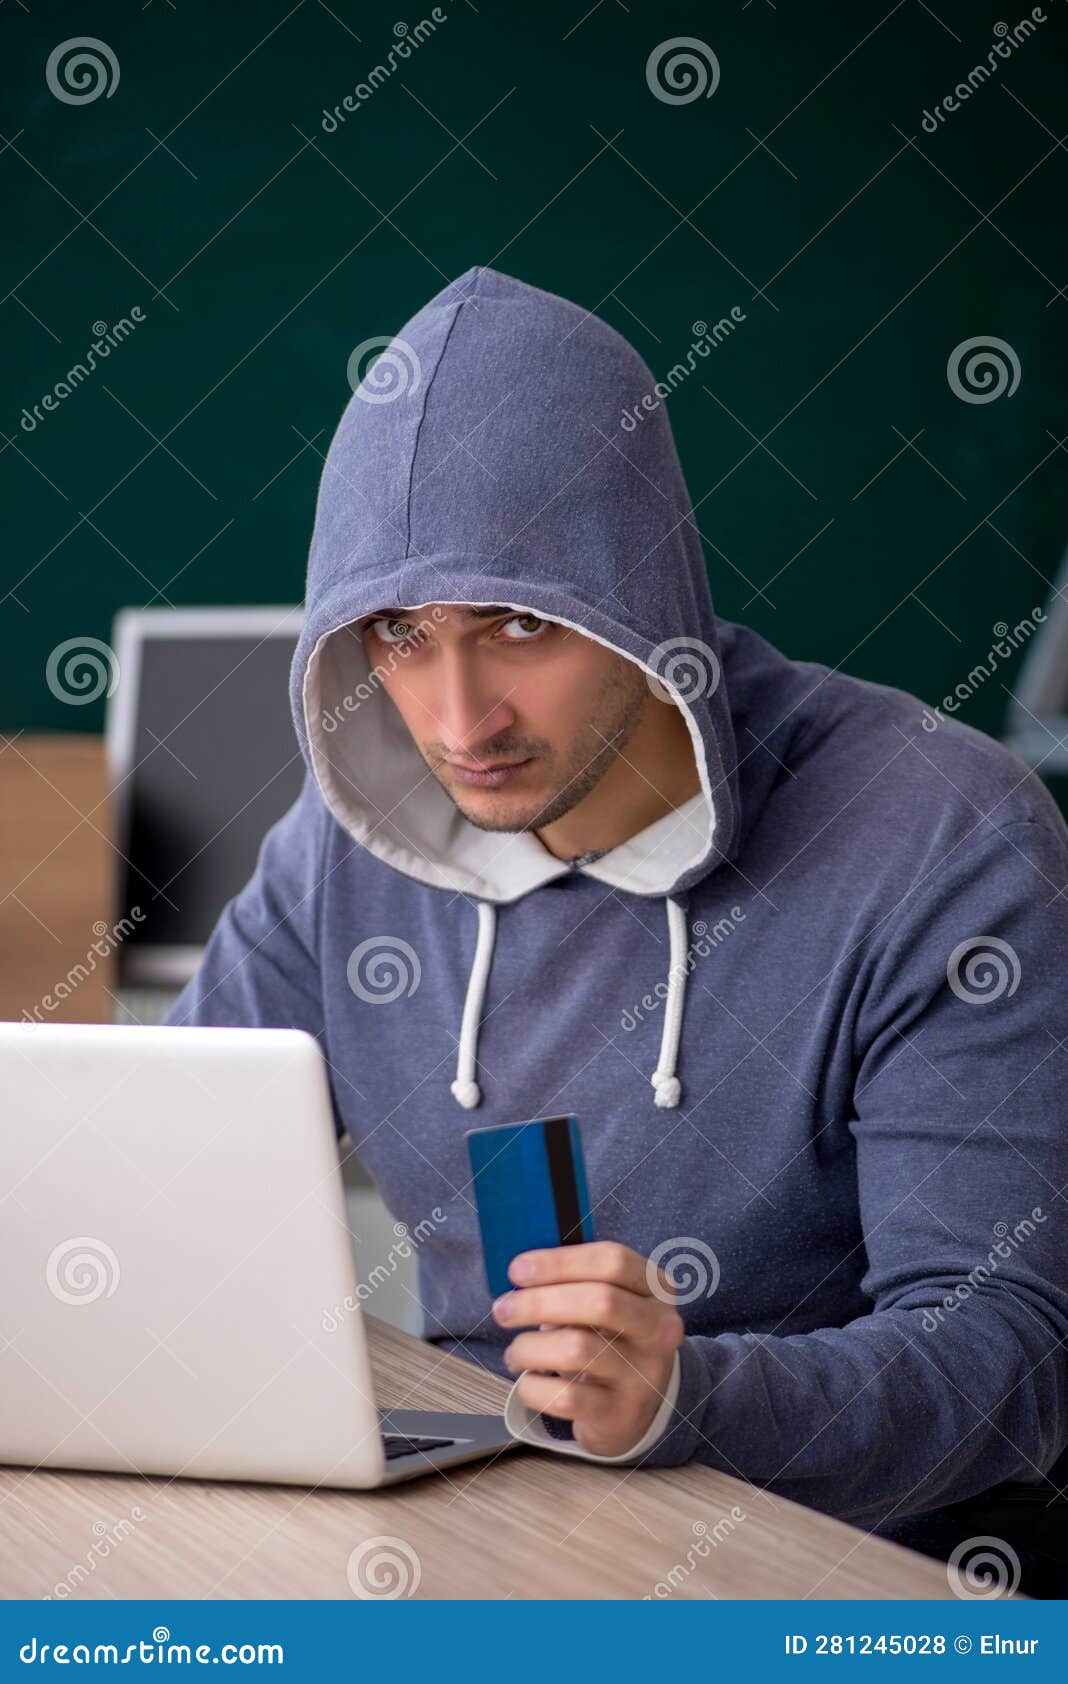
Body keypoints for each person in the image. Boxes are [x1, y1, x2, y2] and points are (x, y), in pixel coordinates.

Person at [166, 266, 1068, 1581]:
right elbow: (169, 1191)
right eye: (403, 636)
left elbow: (1016, 1353)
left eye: (521, 625)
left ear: (641, 599)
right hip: (489, 1552)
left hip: (850, 1580)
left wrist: (684, 1395)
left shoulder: (939, 835)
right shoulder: (343, 858)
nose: (459, 721)